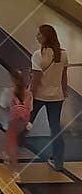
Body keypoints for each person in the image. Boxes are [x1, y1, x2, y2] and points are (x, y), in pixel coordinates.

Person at [30, 22, 69, 171]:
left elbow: (36, 79)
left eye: (39, 34)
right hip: (57, 96)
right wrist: (64, 92)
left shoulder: (38, 55)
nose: (37, 36)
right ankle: (58, 162)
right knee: (55, 128)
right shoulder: (63, 54)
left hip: (39, 95)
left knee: (26, 121)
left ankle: (13, 148)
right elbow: (64, 76)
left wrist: (29, 95)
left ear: (46, 37)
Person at [0, 67, 33, 169]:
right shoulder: (29, 94)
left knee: (12, 143)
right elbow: (30, 109)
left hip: (10, 122)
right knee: (12, 141)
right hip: (23, 123)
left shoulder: (7, 92)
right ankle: (6, 154)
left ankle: (15, 170)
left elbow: (2, 105)